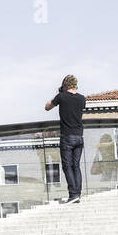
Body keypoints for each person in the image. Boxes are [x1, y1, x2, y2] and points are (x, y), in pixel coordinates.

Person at [44, 74, 86, 203]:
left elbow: (47, 107)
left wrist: (57, 93)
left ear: (65, 85)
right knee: (76, 166)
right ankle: (77, 194)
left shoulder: (61, 96)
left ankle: (73, 194)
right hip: (79, 136)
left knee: (67, 166)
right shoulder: (82, 98)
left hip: (67, 136)